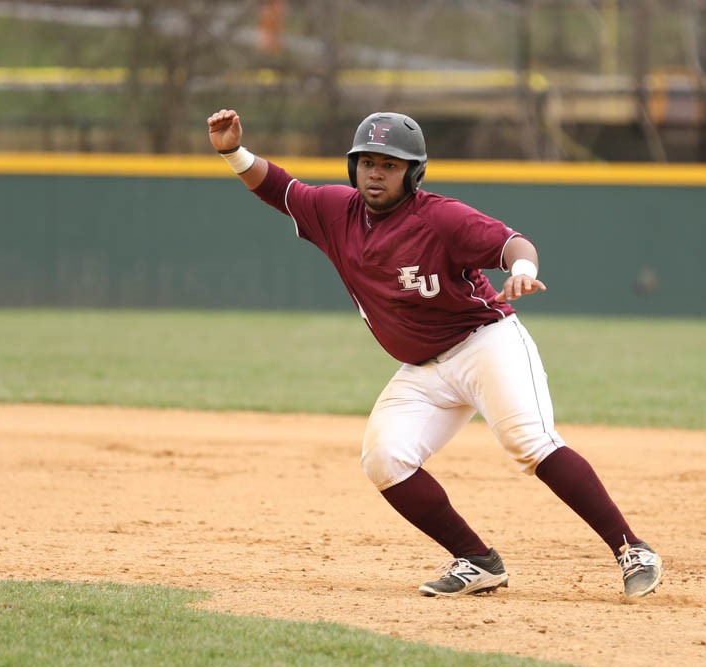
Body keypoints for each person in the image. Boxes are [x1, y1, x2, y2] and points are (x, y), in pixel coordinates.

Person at [206, 108, 663, 599]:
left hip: (485, 343)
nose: (375, 173)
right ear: (352, 167)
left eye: (390, 164)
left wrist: (523, 269)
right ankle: (477, 560)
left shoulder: (440, 218)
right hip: (423, 370)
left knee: (530, 443)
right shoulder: (335, 211)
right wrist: (233, 152)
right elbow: (279, 188)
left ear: (413, 172)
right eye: (367, 162)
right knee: (384, 458)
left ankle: (631, 548)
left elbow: (512, 242)